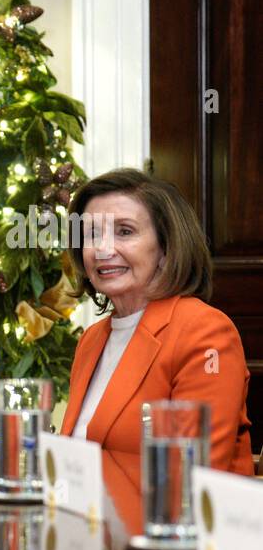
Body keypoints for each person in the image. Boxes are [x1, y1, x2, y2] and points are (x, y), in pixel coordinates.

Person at [60, 168, 253, 473]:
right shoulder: (92, 339)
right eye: (92, 234)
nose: (102, 249)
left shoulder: (204, 331)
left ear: (165, 248)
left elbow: (192, 473)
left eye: (124, 231)